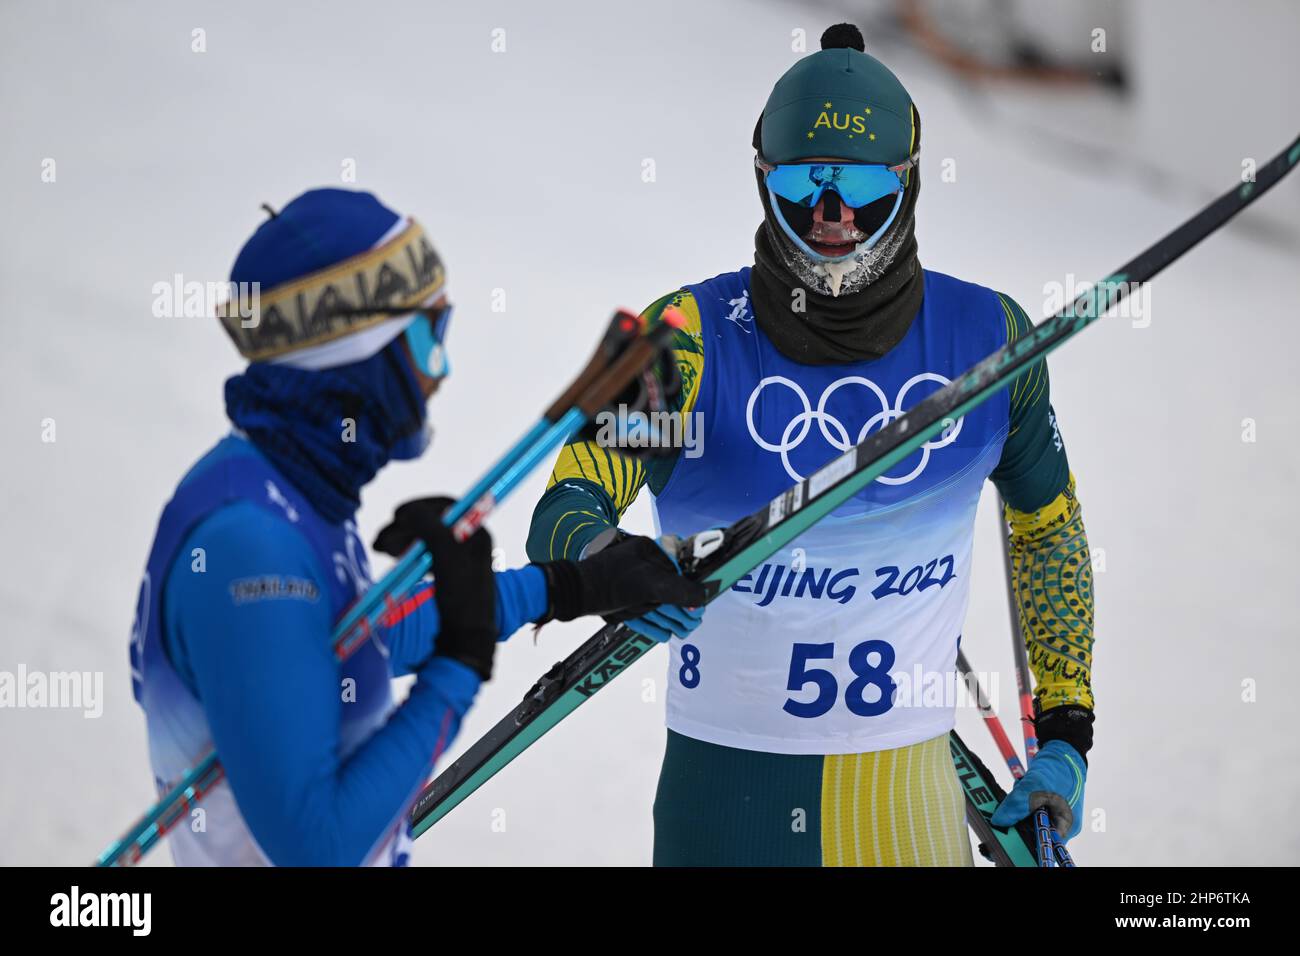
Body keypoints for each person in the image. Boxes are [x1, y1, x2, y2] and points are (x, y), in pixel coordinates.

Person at [526, 24, 1095, 866]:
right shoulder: (685, 343)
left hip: (905, 808)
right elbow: (567, 503)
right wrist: (605, 555)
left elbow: (1045, 525)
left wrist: (1067, 730)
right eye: (806, 183)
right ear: (763, 181)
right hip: (723, 804)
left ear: (907, 180)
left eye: (862, 185)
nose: (833, 215)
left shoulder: (991, 340)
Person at [129, 188, 705, 866]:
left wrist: (567, 587)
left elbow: (342, 650)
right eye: (431, 338)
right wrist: (457, 670)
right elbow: (320, 847)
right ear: (355, 351)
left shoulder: (280, 484)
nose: (443, 371)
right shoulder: (250, 548)